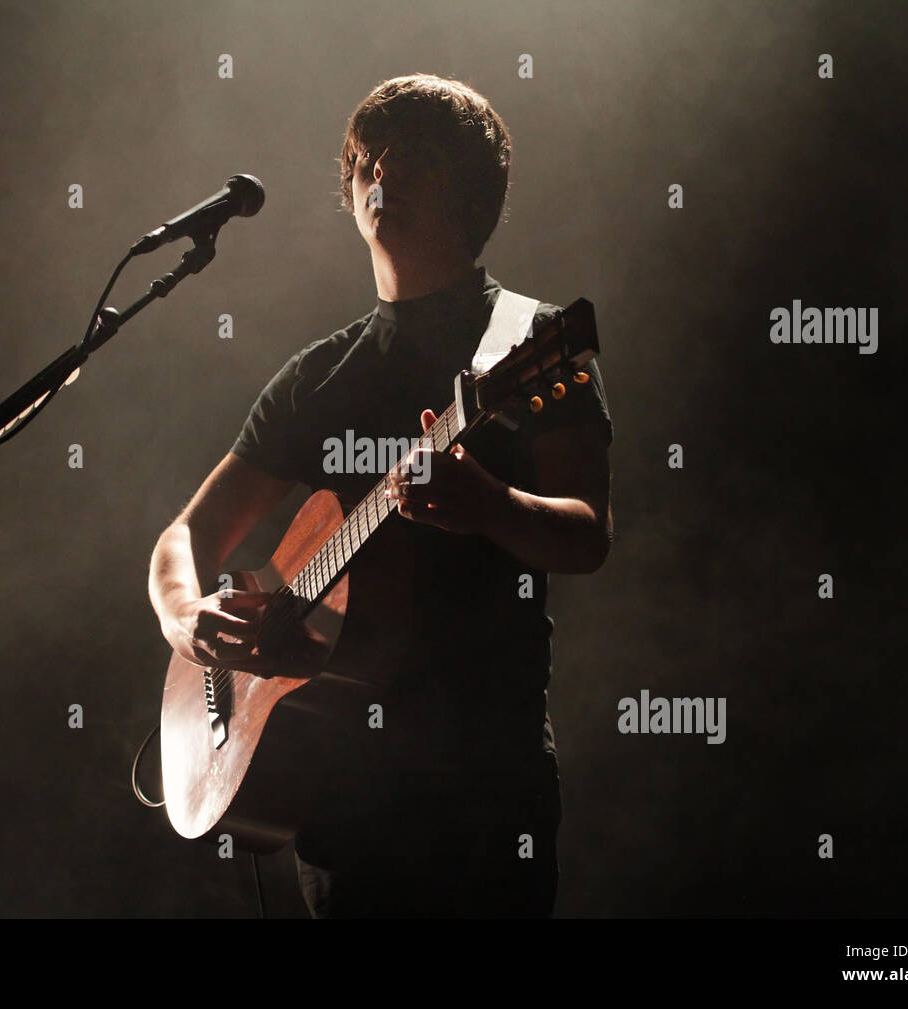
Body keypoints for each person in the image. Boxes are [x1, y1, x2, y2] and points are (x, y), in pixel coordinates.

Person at [148, 74, 614, 917]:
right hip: (344, 800)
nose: (378, 177)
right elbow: (187, 536)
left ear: (469, 188)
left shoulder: (533, 342)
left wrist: (489, 505)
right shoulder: (315, 378)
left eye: (409, 160)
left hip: (486, 785)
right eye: (364, 161)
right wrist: (187, 617)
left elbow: (587, 536)